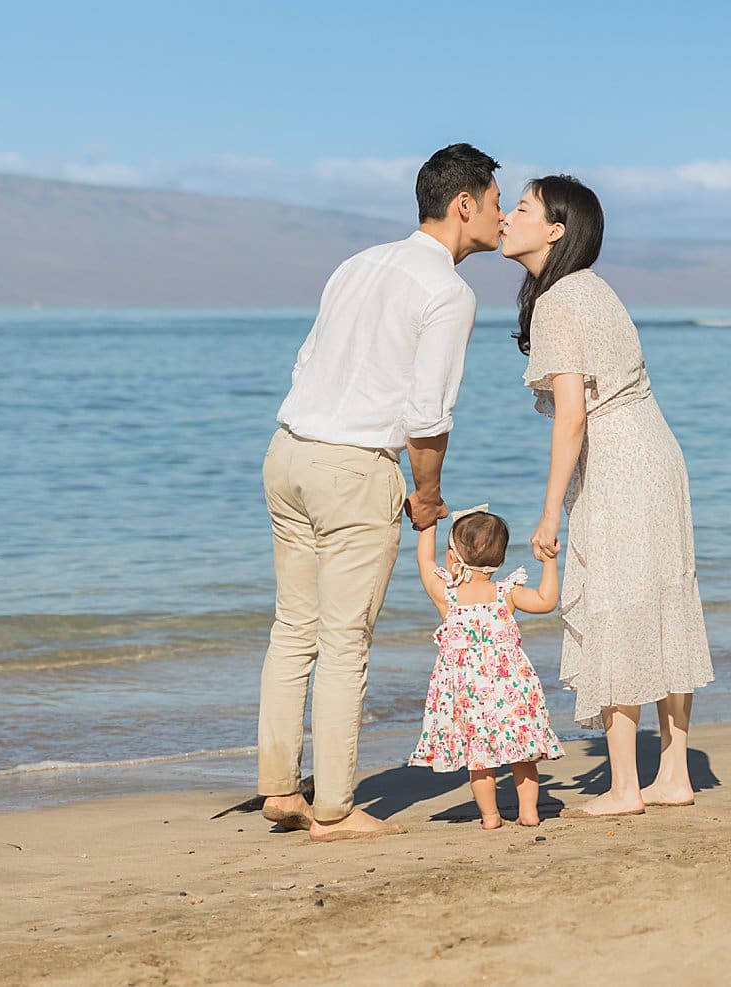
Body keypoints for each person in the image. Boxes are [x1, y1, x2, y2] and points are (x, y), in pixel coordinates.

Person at [257, 143, 504, 841]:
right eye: (491, 204)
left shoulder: (358, 262)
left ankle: (280, 786)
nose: (497, 217)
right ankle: (333, 807)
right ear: (464, 204)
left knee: (293, 628)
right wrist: (426, 495)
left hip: (287, 453)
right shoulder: (450, 292)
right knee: (343, 643)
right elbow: (428, 417)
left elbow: (306, 359)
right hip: (354, 466)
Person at [499, 175, 714, 817]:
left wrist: (546, 511)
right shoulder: (591, 289)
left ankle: (625, 787)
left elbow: (572, 417)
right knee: (659, 602)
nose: (506, 218)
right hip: (656, 455)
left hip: (621, 465)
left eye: (521, 208)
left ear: (556, 230)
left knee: (616, 605)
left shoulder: (561, 299)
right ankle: (672, 775)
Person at [408, 507, 566, 829]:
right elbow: (547, 601)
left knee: (479, 760)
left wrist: (428, 520)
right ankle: (529, 812)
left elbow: (424, 562)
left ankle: (491, 816)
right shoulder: (507, 593)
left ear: (452, 557)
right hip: (512, 687)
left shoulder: (448, 595)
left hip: (468, 694)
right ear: (500, 560)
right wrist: (549, 561)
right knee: (523, 752)